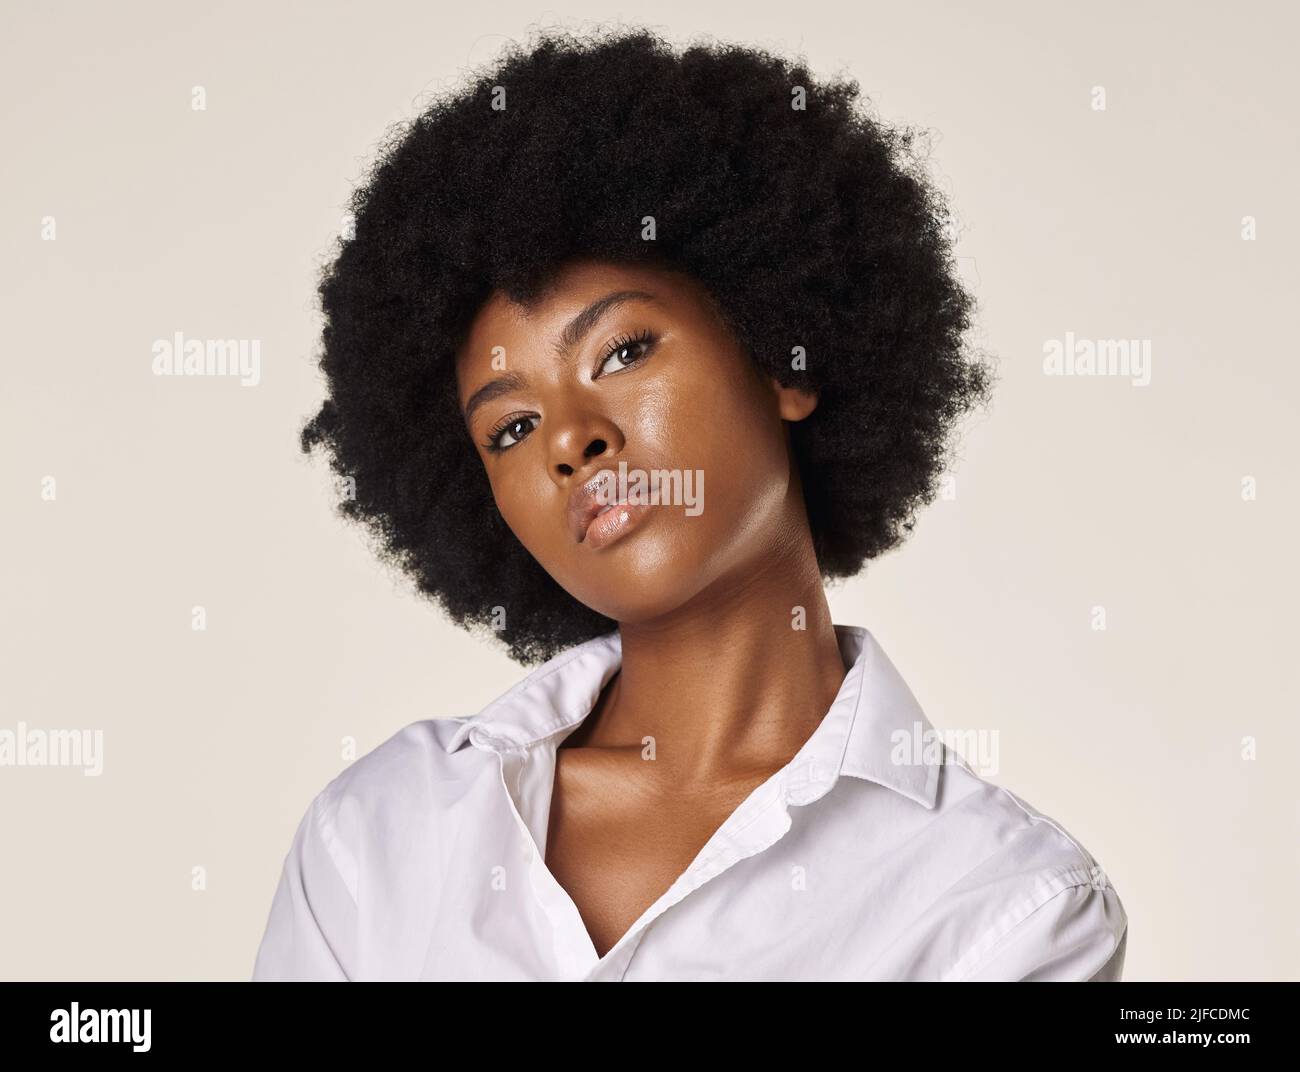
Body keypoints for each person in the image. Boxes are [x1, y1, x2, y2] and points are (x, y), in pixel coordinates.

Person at [252, 26, 1127, 981]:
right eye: (508, 429)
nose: (569, 440)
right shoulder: (383, 834)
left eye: (623, 352)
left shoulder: (1007, 910)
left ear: (781, 355)